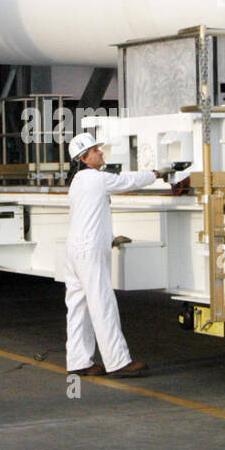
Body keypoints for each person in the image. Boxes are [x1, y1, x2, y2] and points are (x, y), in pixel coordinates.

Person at [63, 133, 171, 378]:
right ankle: (118, 361)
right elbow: (127, 181)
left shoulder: (78, 181)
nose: (101, 152)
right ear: (84, 157)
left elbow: (88, 216)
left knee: (78, 306)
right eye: (95, 150)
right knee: (102, 304)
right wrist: (156, 174)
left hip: (75, 250)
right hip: (89, 252)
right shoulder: (96, 178)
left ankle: (79, 361)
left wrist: (109, 237)